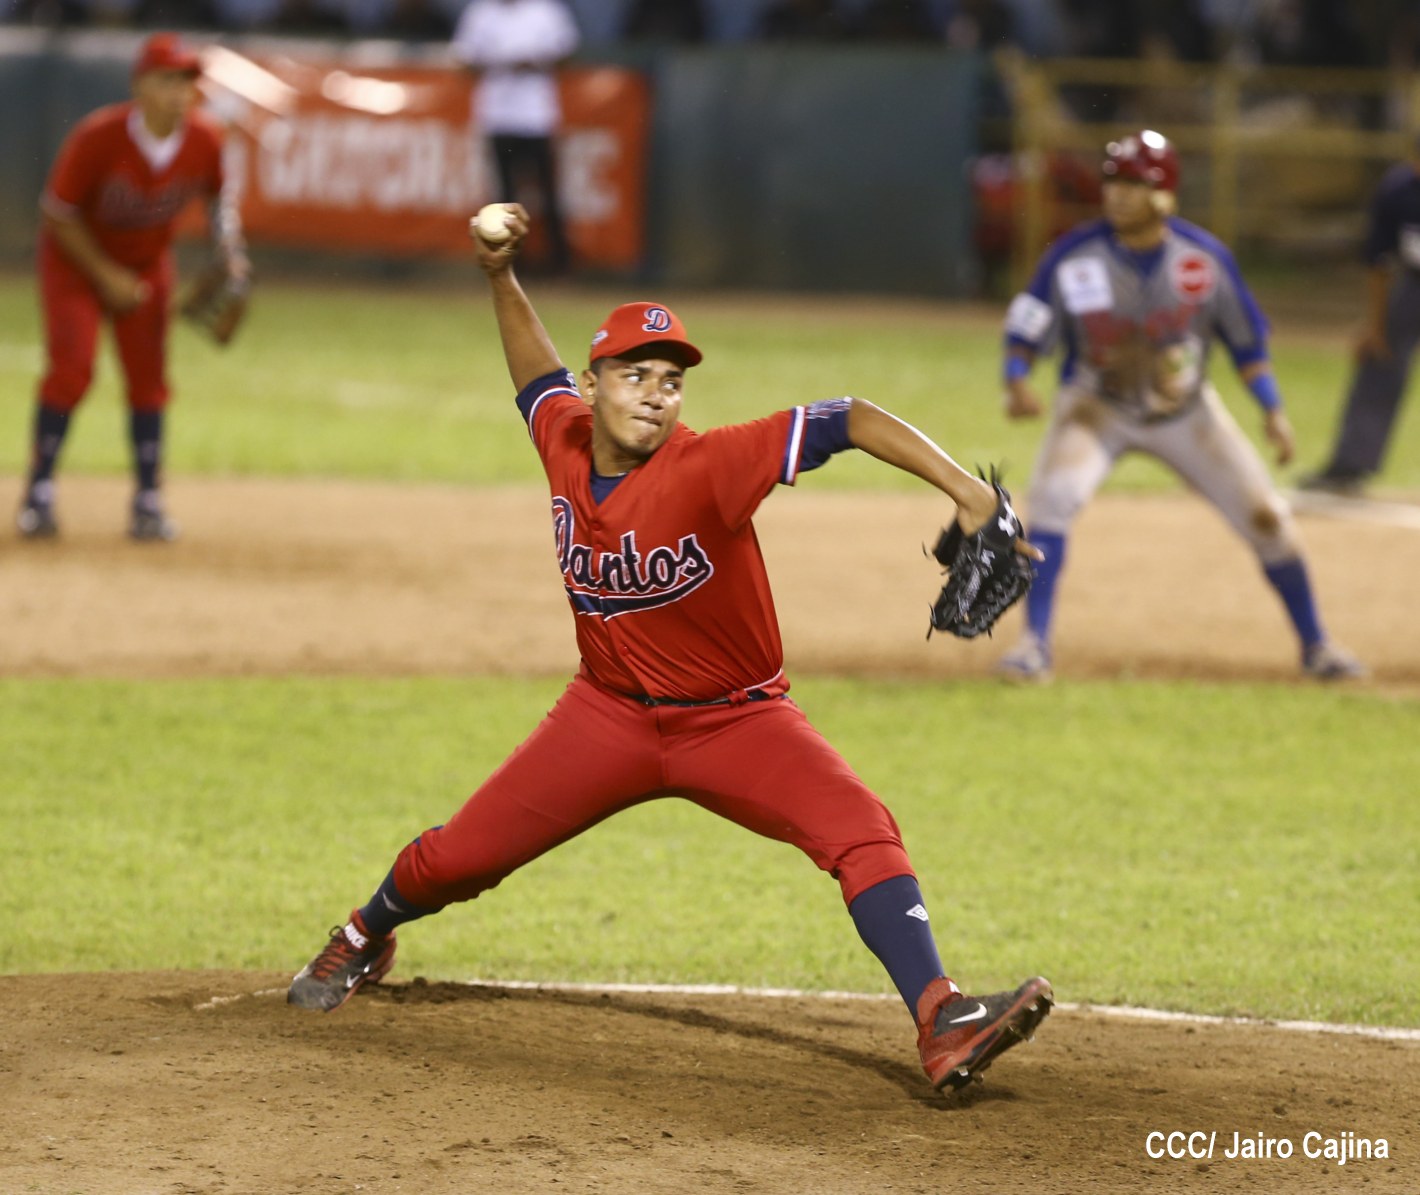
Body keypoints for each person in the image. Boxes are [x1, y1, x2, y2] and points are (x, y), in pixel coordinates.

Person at [287, 202, 1054, 1095]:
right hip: (605, 716)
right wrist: (498, 274)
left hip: (740, 722)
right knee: (460, 857)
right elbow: (532, 368)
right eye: (636, 374)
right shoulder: (563, 440)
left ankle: (941, 1017)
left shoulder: (709, 465)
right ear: (597, 381)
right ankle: (361, 934)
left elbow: (848, 416)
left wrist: (966, 488)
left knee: (861, 828)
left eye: (672, 378)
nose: (656, 391)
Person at [997, 129, 1366, 682]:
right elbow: (1027, 327)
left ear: (1165, 194)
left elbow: (1248, 345)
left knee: (1268, 519)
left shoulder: (1204, 260)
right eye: (1113, 182)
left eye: (1133, 184)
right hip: (1095, 408)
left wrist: (1272, 409)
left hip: (1187, 412)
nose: (1118, 194)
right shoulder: (1074, 255)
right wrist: (1017, 378)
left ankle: (1319, 646)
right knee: (1051, 500)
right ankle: (1033, 646)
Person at [17, 32, 247, 542]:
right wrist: (106, 277)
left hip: (146, 268)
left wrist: (231, 254)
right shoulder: (97, 137)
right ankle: (38, 494)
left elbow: (219, 199)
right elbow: (57, 214)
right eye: (168, 79)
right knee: (73, 371)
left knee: (150, 381)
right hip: (75, 265)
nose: (180, 91)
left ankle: (147, 501)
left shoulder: (204, 139)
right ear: (139, 84)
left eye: (187, 80)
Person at [1300, 142, 1420, 497]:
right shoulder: (1399, 190)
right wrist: (1375, 325)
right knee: (1378, 359)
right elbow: (1378, 263)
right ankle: (1350, 465)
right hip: (1413, 285)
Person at [451, 0, 579, 276]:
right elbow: (463, 60)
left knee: (548, 193)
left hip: (537, 117)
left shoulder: (546, 10)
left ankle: (559, 264)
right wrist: (498, 63)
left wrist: (534, 61)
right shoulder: (481, 11)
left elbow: (567, 53)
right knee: (504, 197)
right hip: (498, 116)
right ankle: (510, 265)